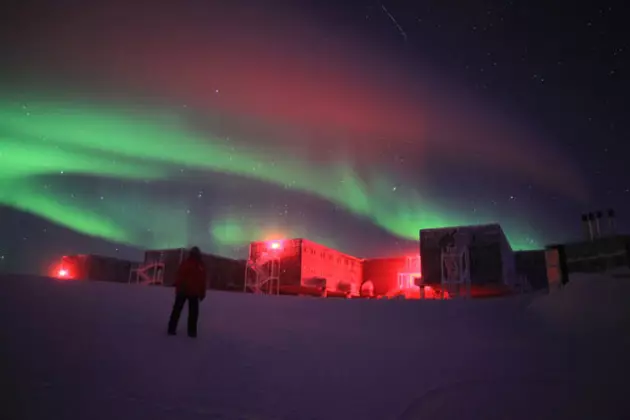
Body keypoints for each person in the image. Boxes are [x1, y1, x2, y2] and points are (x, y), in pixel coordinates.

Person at [167, 246, 207, 337]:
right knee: (188, 313)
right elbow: (201, 280)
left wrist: (202, 292)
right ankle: (189, 332)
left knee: (180, 311)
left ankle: (174, 329)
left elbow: (201, 280)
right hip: (187, 291)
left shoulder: (192, 264)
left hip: (187, 291)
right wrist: (202, 292)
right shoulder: (197, 265)